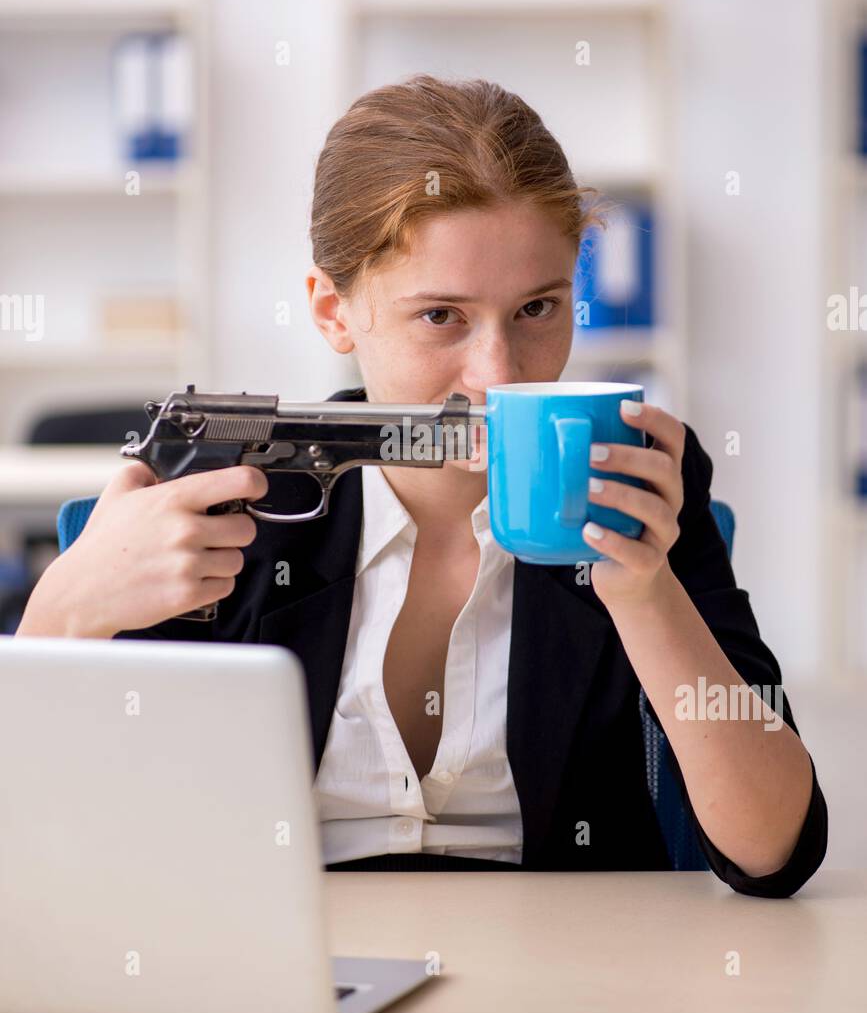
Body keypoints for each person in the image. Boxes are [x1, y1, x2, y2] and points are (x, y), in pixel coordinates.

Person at [17, 74, 828, 896]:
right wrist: (60, 612)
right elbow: (53, 850)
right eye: (441, 316)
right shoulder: (229, 499)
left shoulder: (645, 485)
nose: (496, 374)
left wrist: (648, 595)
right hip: (275, 971)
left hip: (578, 983)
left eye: (538, 308)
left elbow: (770, 851)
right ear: (333, 312)